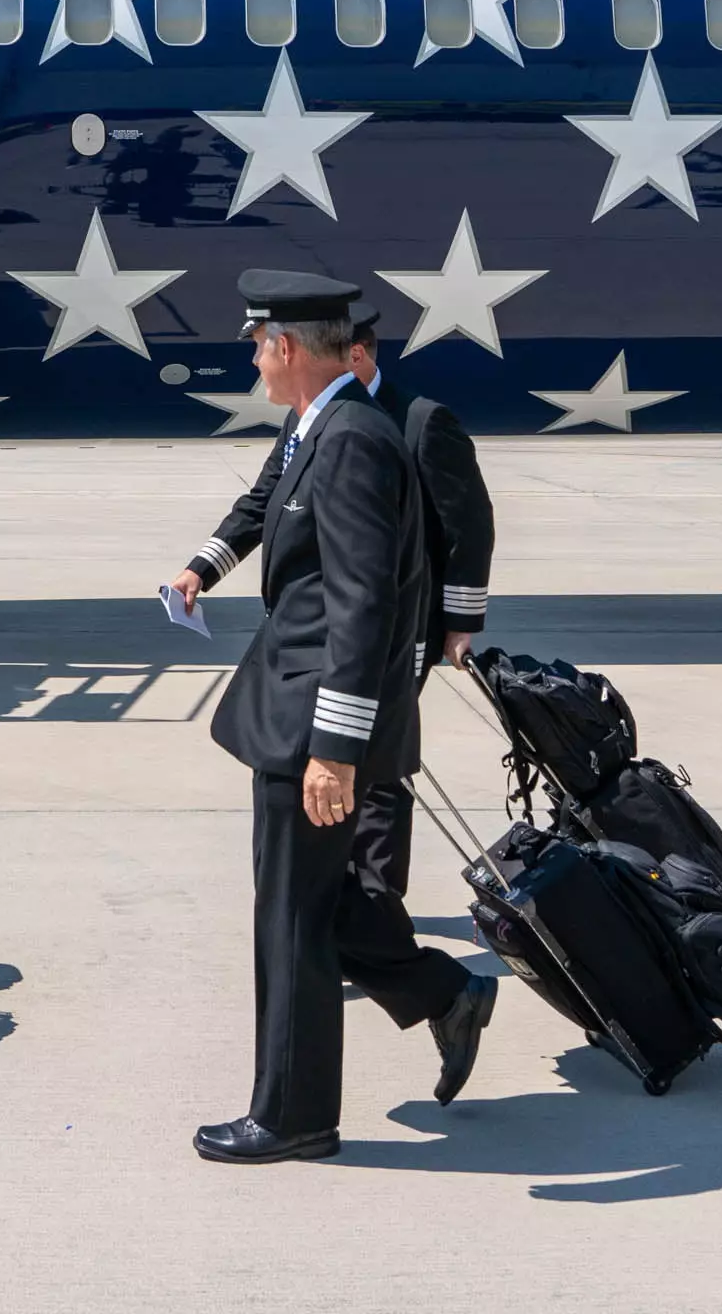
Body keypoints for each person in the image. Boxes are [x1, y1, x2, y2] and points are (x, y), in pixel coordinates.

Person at [188, 271, 495, 1165]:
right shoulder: (324, 426)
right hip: (300, 714)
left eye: (256, 344)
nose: (252, 357)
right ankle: (441, 994)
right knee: (318, 909)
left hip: (310, 726)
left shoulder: (354, 439)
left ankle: (290, 1117)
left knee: (289, 922)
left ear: (286, 348)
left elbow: (364, 605)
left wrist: (334, 748)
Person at [171, 301, 498, 898]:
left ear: (361, 353)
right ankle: (344, 905)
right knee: (341, 754)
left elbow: (467, 524)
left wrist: (460, 620)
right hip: (331, 627)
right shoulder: (311, 417)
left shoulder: (419, 420)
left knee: (374, 757)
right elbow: (265, 498)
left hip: (397, 628)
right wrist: (204, 567)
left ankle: (375, 897)